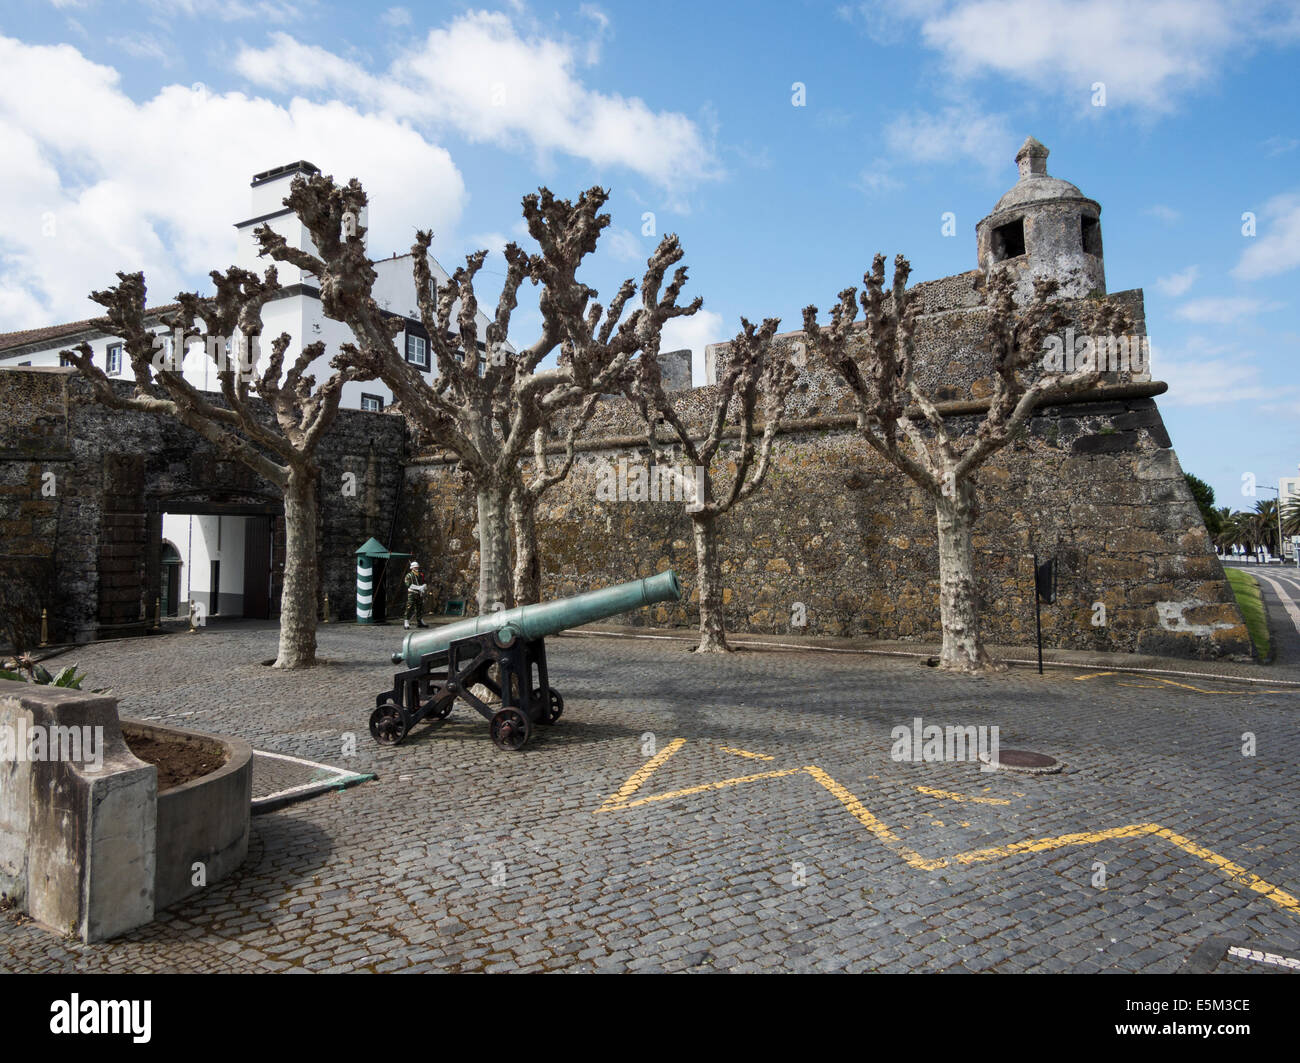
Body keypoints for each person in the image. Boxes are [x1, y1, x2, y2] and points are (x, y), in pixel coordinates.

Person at [404, 561, 428, 630]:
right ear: (412, 568)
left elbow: (424, 582)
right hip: (412, 593)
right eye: (415, 567)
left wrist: (424, 586)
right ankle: (406, 621)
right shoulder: (409, 575)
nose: (416, 568)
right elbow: (408, 584)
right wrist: (418, 587)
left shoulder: (420, 575)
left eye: (417, 567)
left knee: (420, 607)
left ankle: (420, 621)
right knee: (409, 607)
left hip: (419, 593)